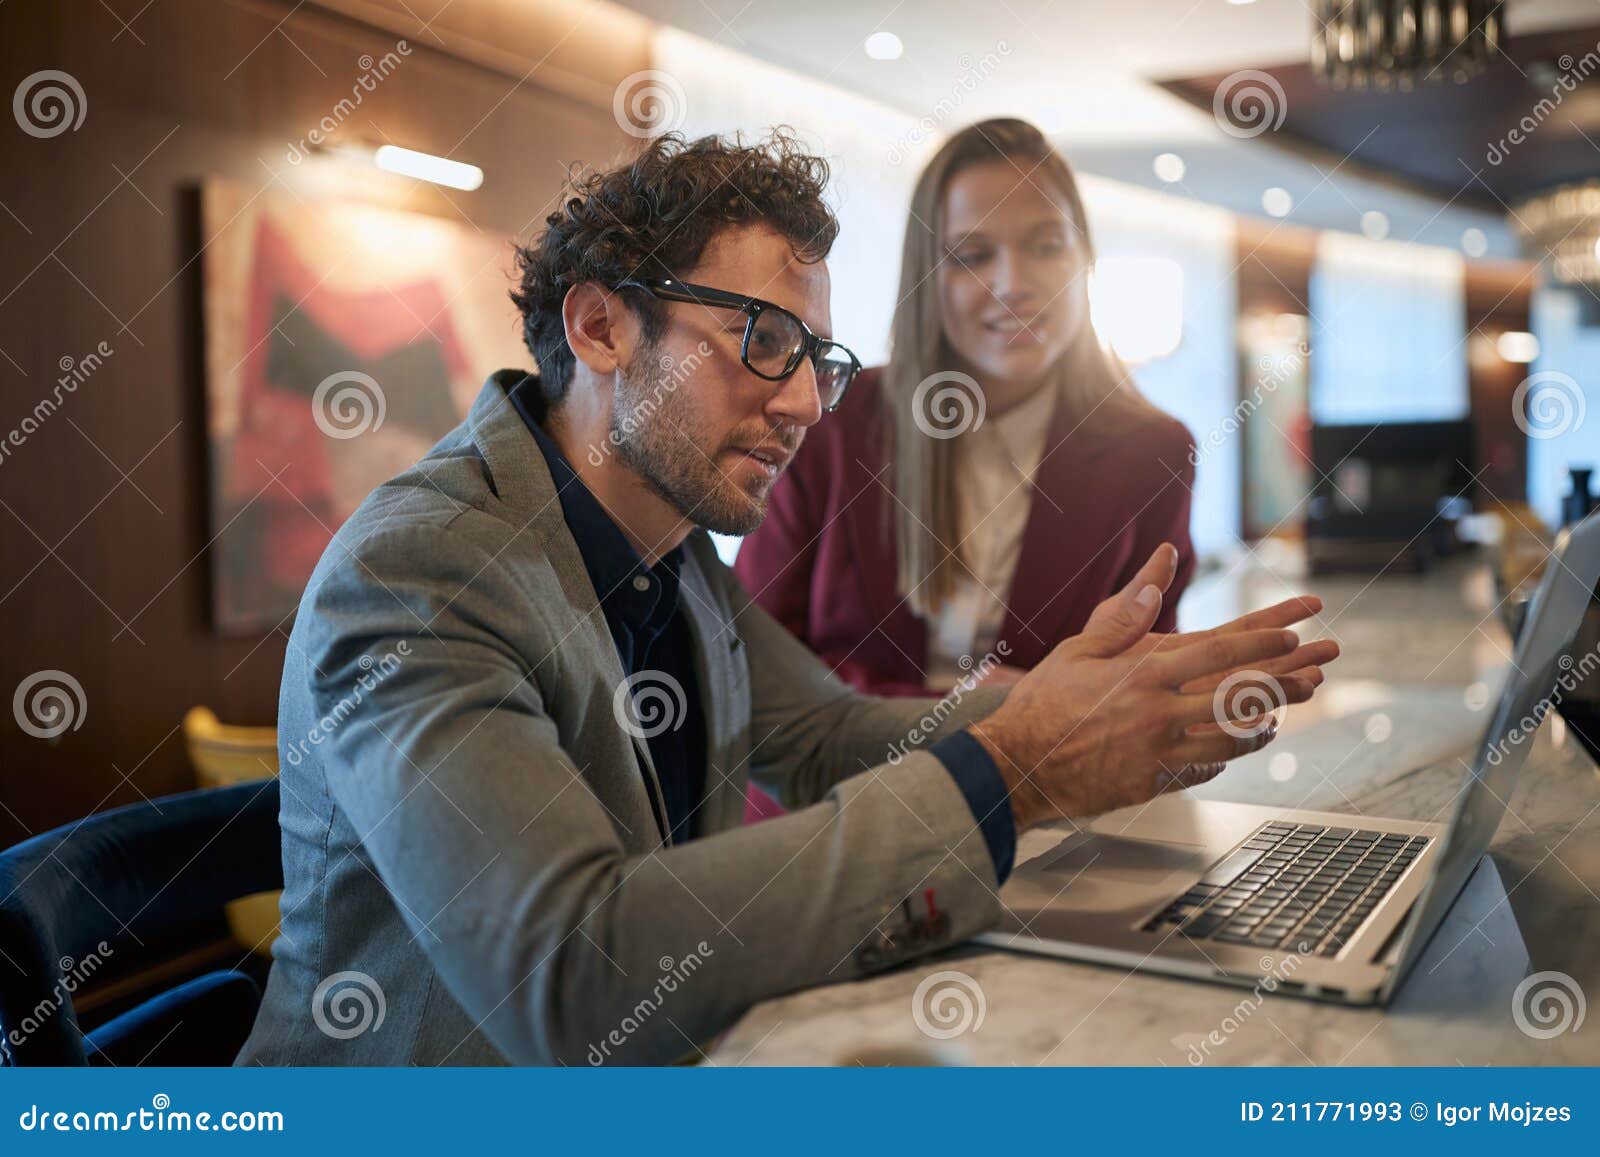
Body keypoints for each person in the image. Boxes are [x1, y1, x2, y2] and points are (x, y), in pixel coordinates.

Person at [236, 131, 1335, 1067]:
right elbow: (569, 975)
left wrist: (1082, 703)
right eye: (763, 341)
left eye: (815, 356)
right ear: (602, 326)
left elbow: (818, 734)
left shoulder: (665, 547)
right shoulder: (421, 572)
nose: (808, 402)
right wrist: (1019, 768)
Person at [735, 119, 1197, 708]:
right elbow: (754, 663)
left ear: (1084, 258)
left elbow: (1141, 683)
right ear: (928, 276)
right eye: (973, 255)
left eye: (1046, 246)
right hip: (844, 766)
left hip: (1054, 769)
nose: (1014, 284)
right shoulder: (829, 415)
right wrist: (966, 711)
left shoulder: (1153, 453)